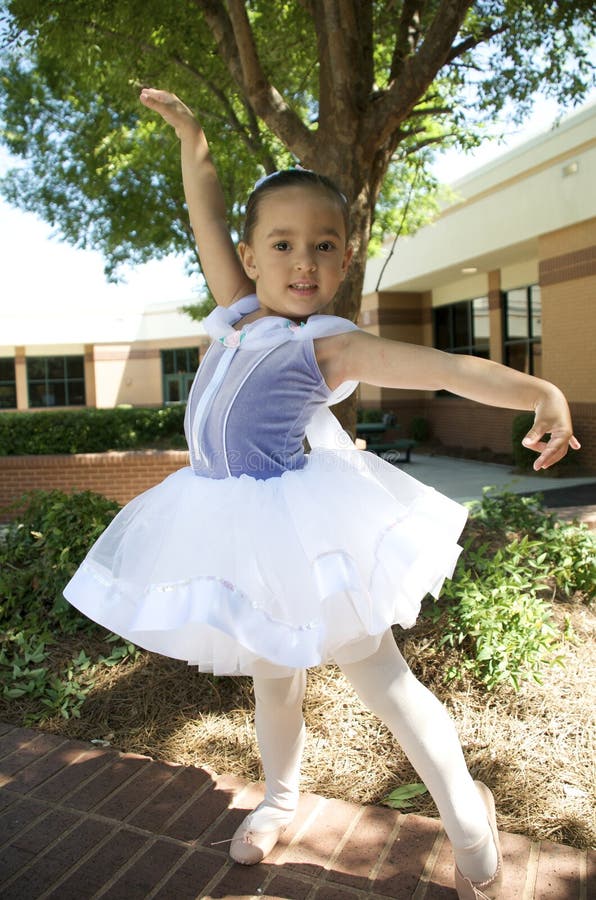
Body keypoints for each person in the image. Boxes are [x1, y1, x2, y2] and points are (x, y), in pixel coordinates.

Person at [64, 88, 580, 899]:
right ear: (253, 254)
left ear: (344, 261)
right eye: (283, 244)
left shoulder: (326, 346)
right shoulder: (236, 311)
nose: (304, 261)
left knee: (382, 682)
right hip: (229, 526)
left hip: (298, 529)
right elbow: (204, 210)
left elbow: (446, 369)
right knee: (275, 680)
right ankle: (278, 800)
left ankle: (466, 817)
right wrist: (192, 134)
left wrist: (539, 391)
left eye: (325, 246)